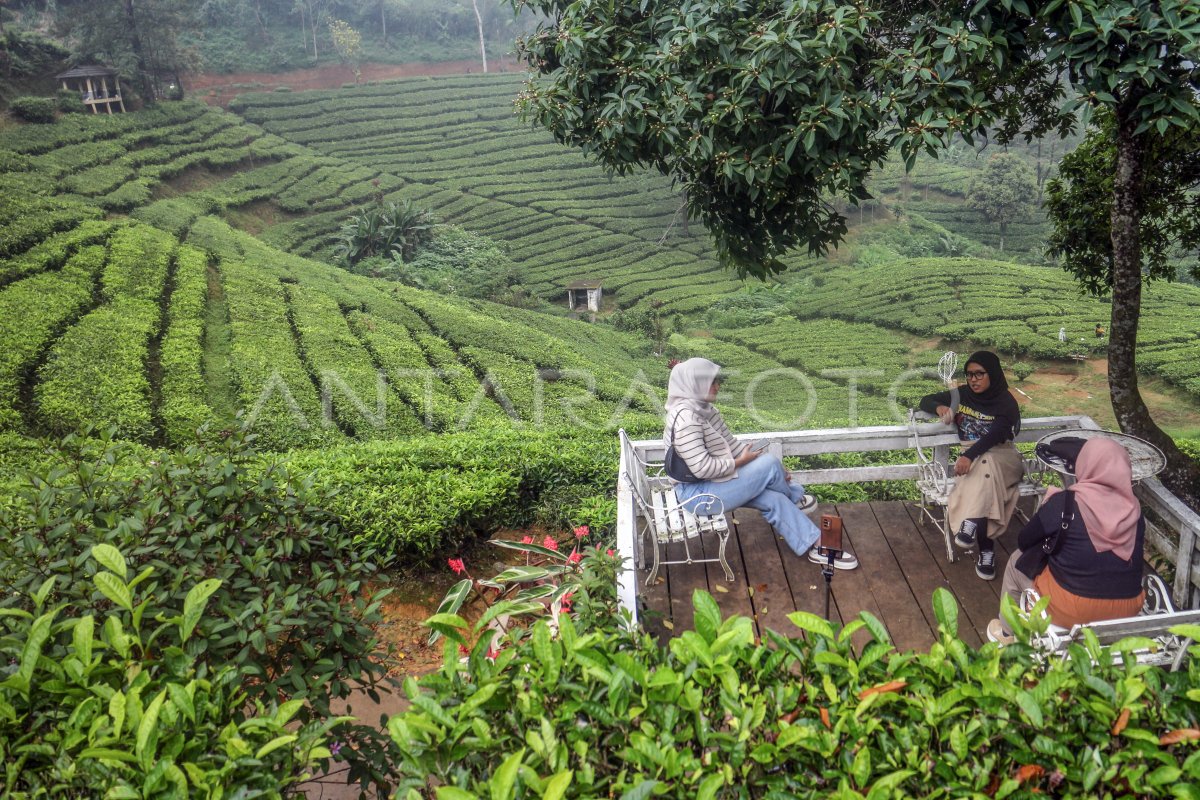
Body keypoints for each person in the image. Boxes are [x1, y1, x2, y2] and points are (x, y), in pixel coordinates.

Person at [664, 357, 858, 569]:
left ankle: (817, 545)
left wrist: (759, 463)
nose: (718, 386)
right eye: (712, 382)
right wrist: (745, 463)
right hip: (696, 496)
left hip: (713, 484)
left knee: (773, 496)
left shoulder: (706, 411)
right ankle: (794, 497)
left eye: (718, 381)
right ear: (694, 384)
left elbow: (732, 445)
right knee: (770, 462)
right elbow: (701, 469)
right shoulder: (687, 421)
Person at [988, 438, 1145, 643]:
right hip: (1127, 607)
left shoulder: (1065, 503)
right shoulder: (1135, 509)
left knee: (1016, 562)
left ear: (1085, 464)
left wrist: (1049, 509)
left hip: (1075, 609)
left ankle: (1008, 634)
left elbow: (1024, 540)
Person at [919, 351, 1022, 580]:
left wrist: (969, 456)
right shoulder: (962, 394)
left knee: (985, 463)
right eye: (969, 375)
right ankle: (986, 551)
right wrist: (940, 408)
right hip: (975, 463)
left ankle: (971, 522)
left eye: (979, 374)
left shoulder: (1006, 402)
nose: (973, 379)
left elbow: (994, 436)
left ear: (992, 374)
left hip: (1002, 457)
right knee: (983, 481)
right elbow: (925, 400)